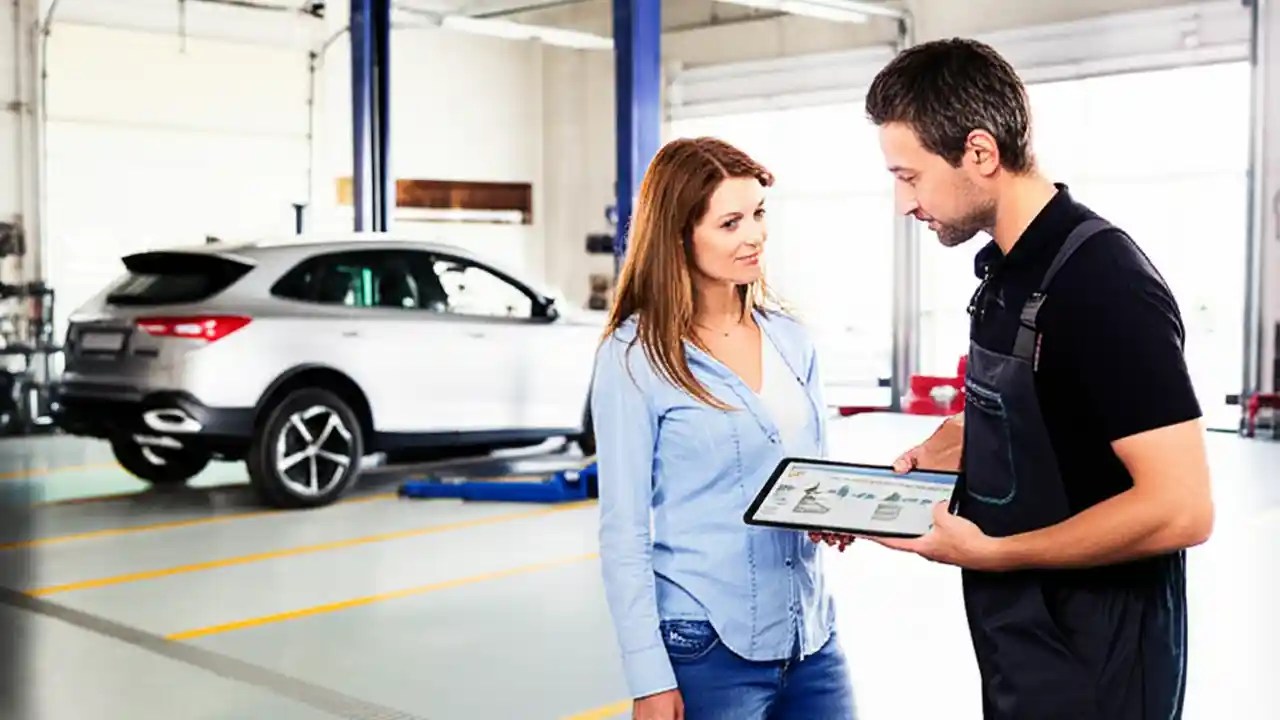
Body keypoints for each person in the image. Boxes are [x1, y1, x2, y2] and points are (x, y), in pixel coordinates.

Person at [827, 38, 1215, 719]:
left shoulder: (1104, 284)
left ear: (979, 153)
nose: (900, 202)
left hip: (1102, 659)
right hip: (1022, 640)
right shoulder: (1007, 270)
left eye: (909, 176)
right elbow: (1034, 412)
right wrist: (937, 451)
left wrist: (997, 553)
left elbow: (1182, 507)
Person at [591, 136, 857, 720]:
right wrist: (648, 677)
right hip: (705, 645)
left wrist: (833, 516)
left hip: (810, 638)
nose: (755, 235)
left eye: (759, 214)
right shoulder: (636, 356)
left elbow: (812, 475)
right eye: (731, 222)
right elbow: (624, 530)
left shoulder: (791, 339)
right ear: (680, 235)